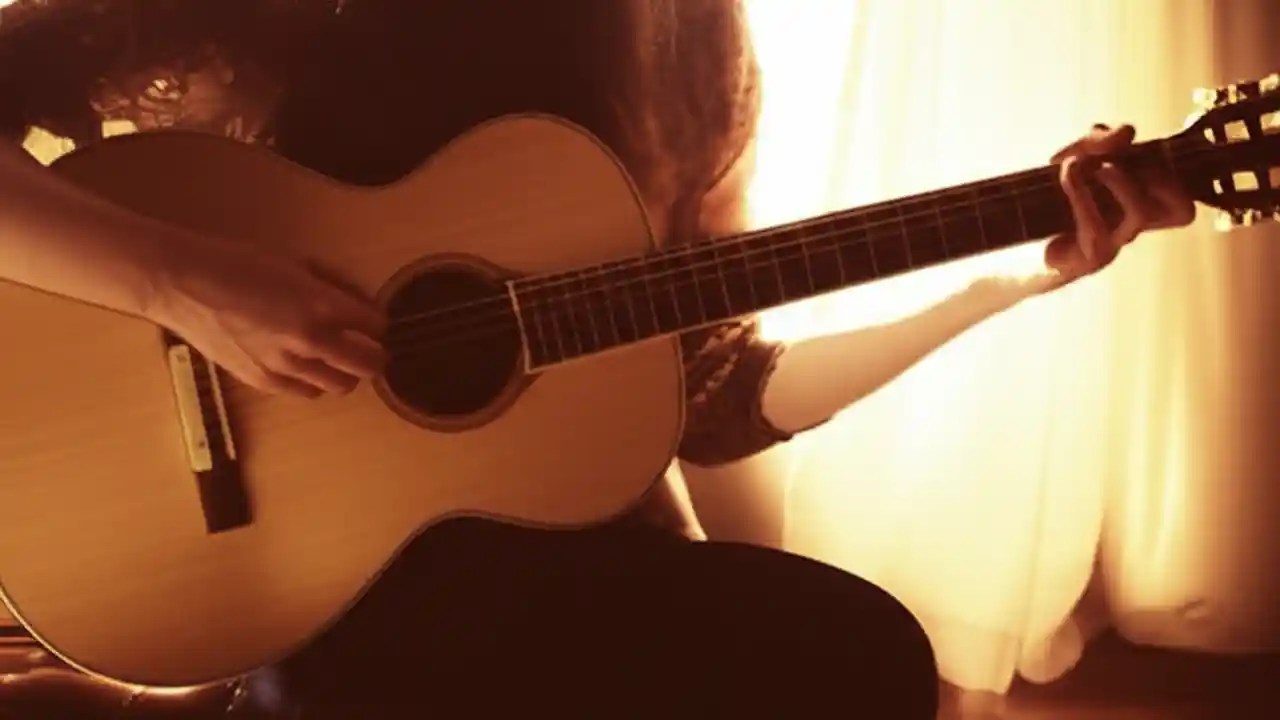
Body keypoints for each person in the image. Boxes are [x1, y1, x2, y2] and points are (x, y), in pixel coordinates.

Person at [0, 1, 1195, 717]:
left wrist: (1005, 282)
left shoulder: (687, 47)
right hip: (290, 569)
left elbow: (714, 393)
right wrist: (186, 285)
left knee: (854, 656)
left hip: (519, 542)